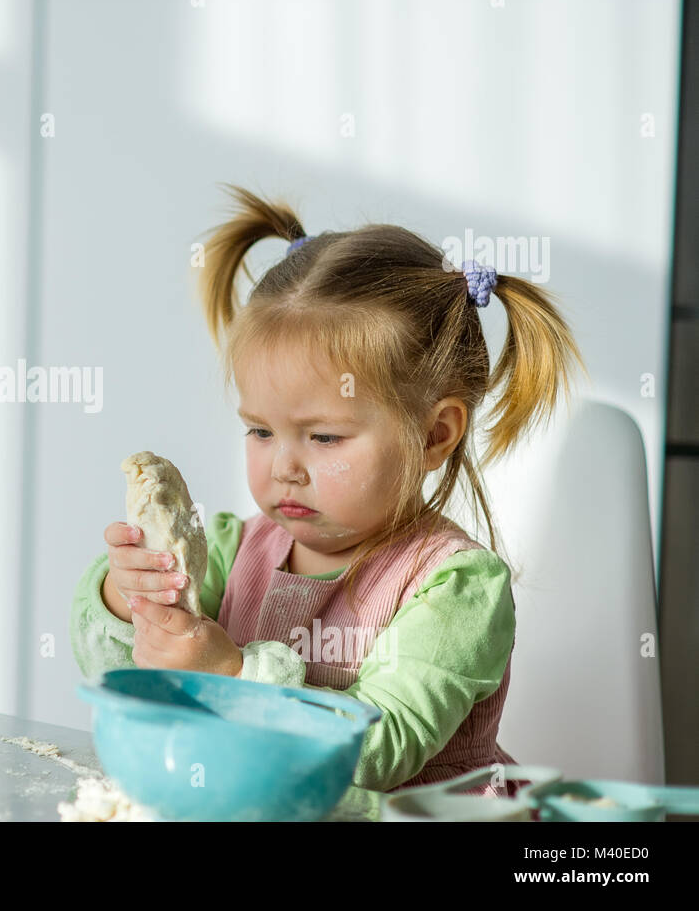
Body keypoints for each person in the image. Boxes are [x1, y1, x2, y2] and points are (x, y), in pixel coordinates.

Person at [71, 185, 588, 794]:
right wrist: (127, 597)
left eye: (323, 437)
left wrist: (235, 674)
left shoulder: (457, 589)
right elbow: (121, 676)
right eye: (260, 430)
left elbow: (379, 750)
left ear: (433, 435)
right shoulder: (232, 550)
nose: (284, 467)